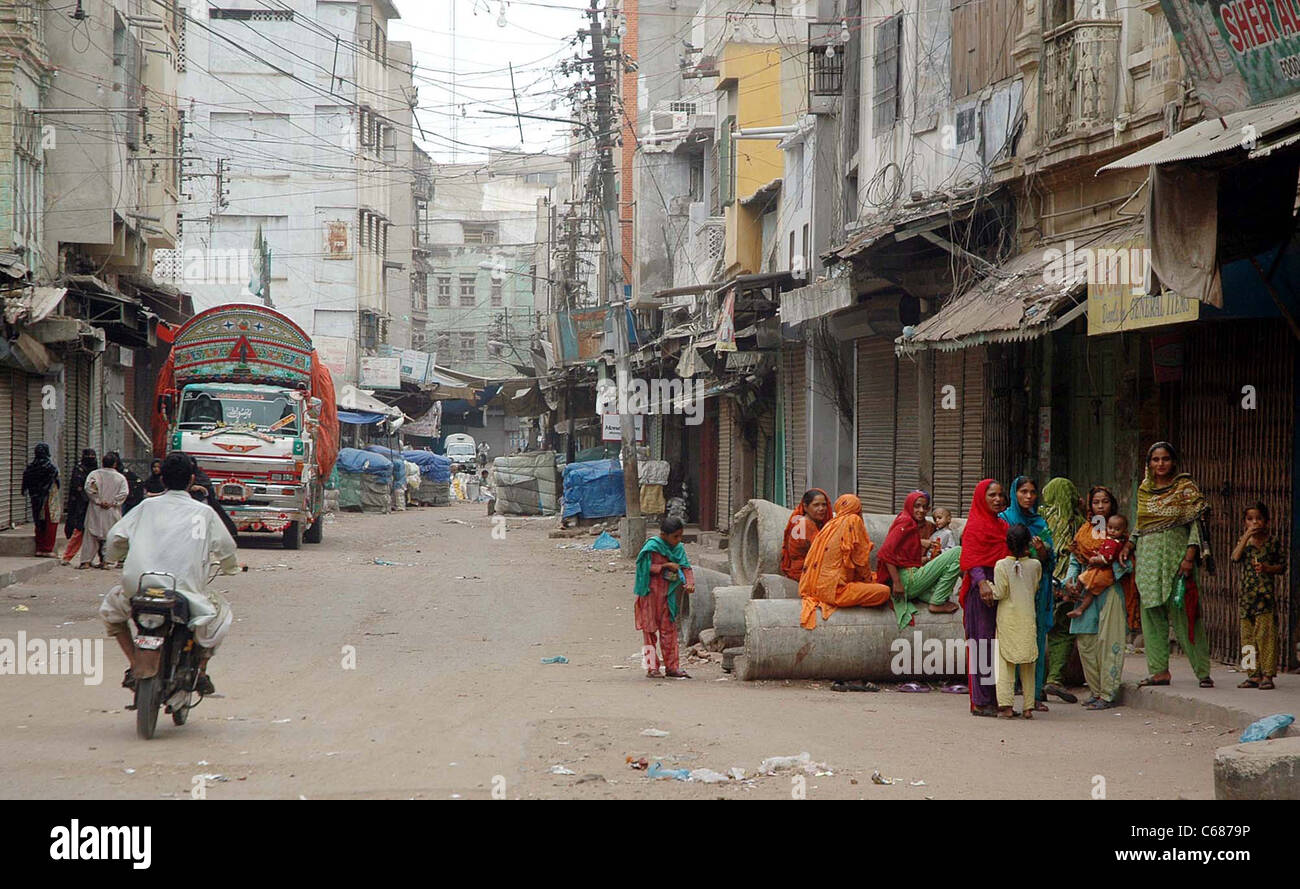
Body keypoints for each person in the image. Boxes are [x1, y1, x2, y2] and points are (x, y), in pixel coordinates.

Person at [99, 453, 240, 695]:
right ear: (192, 479)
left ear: (162, 478)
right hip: (184, 591)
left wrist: (113, 556)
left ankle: (134, 663)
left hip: (139, 588)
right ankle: (201, 670)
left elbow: (115, 537)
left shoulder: (145, 507)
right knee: (218, 615)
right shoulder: (203, 513)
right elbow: (226, 549)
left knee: (113, 611)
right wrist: (230, 568)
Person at [1134, 441, 1214, 689]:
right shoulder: (1144, 490)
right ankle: (1159, 672)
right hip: (1148, 561)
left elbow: (1197, 524)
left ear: (1174, 462)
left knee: (1186, 615)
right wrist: (1129, 544)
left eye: (1165, 459)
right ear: (1149, 464)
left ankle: (1202, 672)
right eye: (1155, 460)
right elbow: (1141, 525)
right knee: (1152, 616)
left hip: (1177, 561)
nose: (1160, 464)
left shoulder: (1185, 488)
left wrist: (1190, 557)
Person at [1064, 486, 1133, 710]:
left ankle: (1108, 693)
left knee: (1109, 641)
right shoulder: (1084, 531)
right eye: (1096, 502)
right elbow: (1075, 561)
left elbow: (1128, 562)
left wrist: (1109, 572)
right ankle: (1095, 691)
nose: (1100, 506)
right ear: (1090, 506)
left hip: (1110, 589)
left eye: (1105, 502)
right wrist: (1071, 581)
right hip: (1085, 589)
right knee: (1086, 642)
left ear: (1112, 504)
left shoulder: (1119, 531)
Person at [999, 476, 1054, 712]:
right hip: (1010, 592)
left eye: (1032, 492)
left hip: (1035, 592)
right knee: (1008, 644)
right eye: (1023, 491)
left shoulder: (1041, 523)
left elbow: (1049, 561)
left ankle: (1034, 696)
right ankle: (1007, 697)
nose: (1029, 496)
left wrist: (1041, 551)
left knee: (1035, 641)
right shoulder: (1004, 519)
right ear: (1015, 493)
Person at [797, 494, 893, 630]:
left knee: (874, 577)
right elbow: (860, 561)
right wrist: (869, 581)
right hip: (834, 592)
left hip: (812, 587)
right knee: (884, 591)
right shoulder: (854, 521)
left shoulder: (831, 523)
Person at [876, 490, 961, 630]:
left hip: (910, 576)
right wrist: (897, 583)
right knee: (958, 552)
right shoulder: (906, 522)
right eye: (917, 506)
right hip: (906, 581)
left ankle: (934, 597)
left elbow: (903, 555)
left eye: (924, 507)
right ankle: (937, 603)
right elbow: (885, 552)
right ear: (909, 505)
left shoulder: (908, 520)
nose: (921, 510)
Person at [960, 479, 1009, 717]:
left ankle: (997, 697)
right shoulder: (974, 526)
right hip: (981, 591)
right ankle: (980, 700)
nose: (998, 499)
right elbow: (971, 559)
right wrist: (982, 583)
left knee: (997, 645)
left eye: (1000, 495)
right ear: (982, 498)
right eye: (992, 495)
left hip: (1002, 589)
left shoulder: (1002, 526)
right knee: (981, 644)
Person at [1039, 477, 1085, 703]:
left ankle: (1034, 683)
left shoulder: (1040, 518)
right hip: (1070, 584)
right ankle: (1055, 679)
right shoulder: (1082, 522)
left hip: (1043, 582)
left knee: (1037, 632)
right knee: (1063, 633)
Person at [1231, 503, 1285, 690]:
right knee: (1247, 638)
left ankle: (1267, 675)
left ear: (1266, 521)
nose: (1255, 522)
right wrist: (1246, 536)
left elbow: (1282, 566)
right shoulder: (1244, 542)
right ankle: (1252, 675)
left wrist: (1267, 569)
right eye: (1250, 519)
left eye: (1258, 518)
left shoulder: (1272, 541)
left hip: (1265, 597)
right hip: (1246, 598)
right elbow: (1235, 558)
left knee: (1266, 636)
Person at [634, 516, 695, 679]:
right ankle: (651, 668)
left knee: (670, 632)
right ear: (664, 535)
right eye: (675, 536)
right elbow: (643, 569)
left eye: (680, 536)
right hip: (649, 596)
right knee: (649, 632)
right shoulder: (652, 547)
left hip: (668, 597)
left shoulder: (678, 549)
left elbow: (686, 568)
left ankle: (672, 667)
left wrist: (689, 583)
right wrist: (665, 566)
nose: (678, 540)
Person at [991, 524, 1041, 719]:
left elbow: (1000, 592)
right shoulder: (1035, 565)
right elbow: (1034, 587)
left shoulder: (1001, 565)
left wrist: (987, 586)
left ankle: (1006, 706)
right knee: (1029, 663)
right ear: (1028, 543)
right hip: (1028, 617)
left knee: (1005, 661)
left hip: (1008, 619)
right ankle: (1029, 707)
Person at [1067, 514, 1129, 619]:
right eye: (1110, 528)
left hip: (1106, 575)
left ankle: (1078, 602)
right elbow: (1075, 559)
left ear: (1123, 530)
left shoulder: (1116, 543)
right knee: (1089, 589)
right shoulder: (1106, 538)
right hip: (1099, 571)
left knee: (1086, 585)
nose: (1113, 531)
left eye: (1117, 529)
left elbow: (1107, 558)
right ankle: (1077, 601)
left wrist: (1095, 559)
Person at [79, 453, 129, 569]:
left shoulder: (94, 475)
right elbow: (124, 493)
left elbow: (89, 488)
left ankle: (86, 561)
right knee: (110, 536)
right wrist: (113, 502)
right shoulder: (120, 478)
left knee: (90, 536)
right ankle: (106, 561)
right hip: (112, 510)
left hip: (96, 509)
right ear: (115, 464)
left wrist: (98, 500)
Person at [779, 488, 833, 582]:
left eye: (824, 505)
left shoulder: (808, 522)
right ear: (805, 507)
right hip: (804, 573)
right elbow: (824, 552)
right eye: (816, 505)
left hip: (806, 569)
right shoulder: (806, 524)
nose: (821, 509)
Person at [21, 443, 61, 557]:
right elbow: (57, 484)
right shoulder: (50, 468)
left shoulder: (30, 468)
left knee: (39, 523)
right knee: (51, 523)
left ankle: (39, 548)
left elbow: (24, 486)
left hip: (36, 501)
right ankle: (47, 549)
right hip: (49, 500)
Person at [61, 449, 97, 564]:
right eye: (89, 455)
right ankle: (67, 557)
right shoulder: (79, 470)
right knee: (79, 531)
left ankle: (98, 559)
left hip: (95, 505)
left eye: (93, 455)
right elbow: (77, 488)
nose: (91, 457)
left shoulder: (97, 471)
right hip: (80, 506)